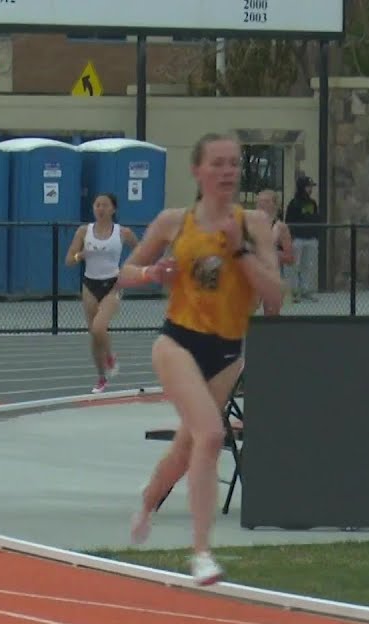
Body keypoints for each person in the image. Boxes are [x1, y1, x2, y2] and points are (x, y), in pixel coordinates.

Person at [116, 133, 285, 585]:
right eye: (218, 163)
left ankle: (148, 501)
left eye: (234, 163)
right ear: (198, 171)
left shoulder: (254, 225)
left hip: (228, 350)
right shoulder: (175, 221)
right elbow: (124, 273)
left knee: (187, 446)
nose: (228, 171)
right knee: (212, 435)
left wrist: (240, 251)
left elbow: (275, 297)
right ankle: (202, 552)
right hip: (178, 342)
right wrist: (153, 273)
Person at [64, 192, 138, 392]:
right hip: (90, 284)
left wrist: (130, 269)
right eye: (97, 205)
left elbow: (141, 252)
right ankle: (101, 377)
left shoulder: (123, 232)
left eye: (105, 205)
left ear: (113, 209)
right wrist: (81, 255)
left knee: (99, 327)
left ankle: (111, 357)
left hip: (113, 284)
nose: (101, 209)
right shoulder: (83, 231)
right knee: (95, 335)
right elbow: (68, 260)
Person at [254, 189, 294, 314]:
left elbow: (290, 258)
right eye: (259, 202)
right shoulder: (249, 224)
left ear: (275, 205)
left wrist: (270, 253)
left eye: (266, 201)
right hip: (252, 275)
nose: (261, 205)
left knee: (272, 315)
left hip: (271, 277)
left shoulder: (280, 227)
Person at [283, 173, 320, 301]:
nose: (310, 189)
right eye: (308, 186)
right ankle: (294, 292)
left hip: (311, 238)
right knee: (294, 266)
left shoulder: (313, 203)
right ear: (301, 187)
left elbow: (316, 219)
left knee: (308, 266)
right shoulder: (294, 204)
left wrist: (316, 234)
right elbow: (288, 222)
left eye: (311, 186)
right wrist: (290, 238)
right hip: (298, 239)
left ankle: (306, 290)